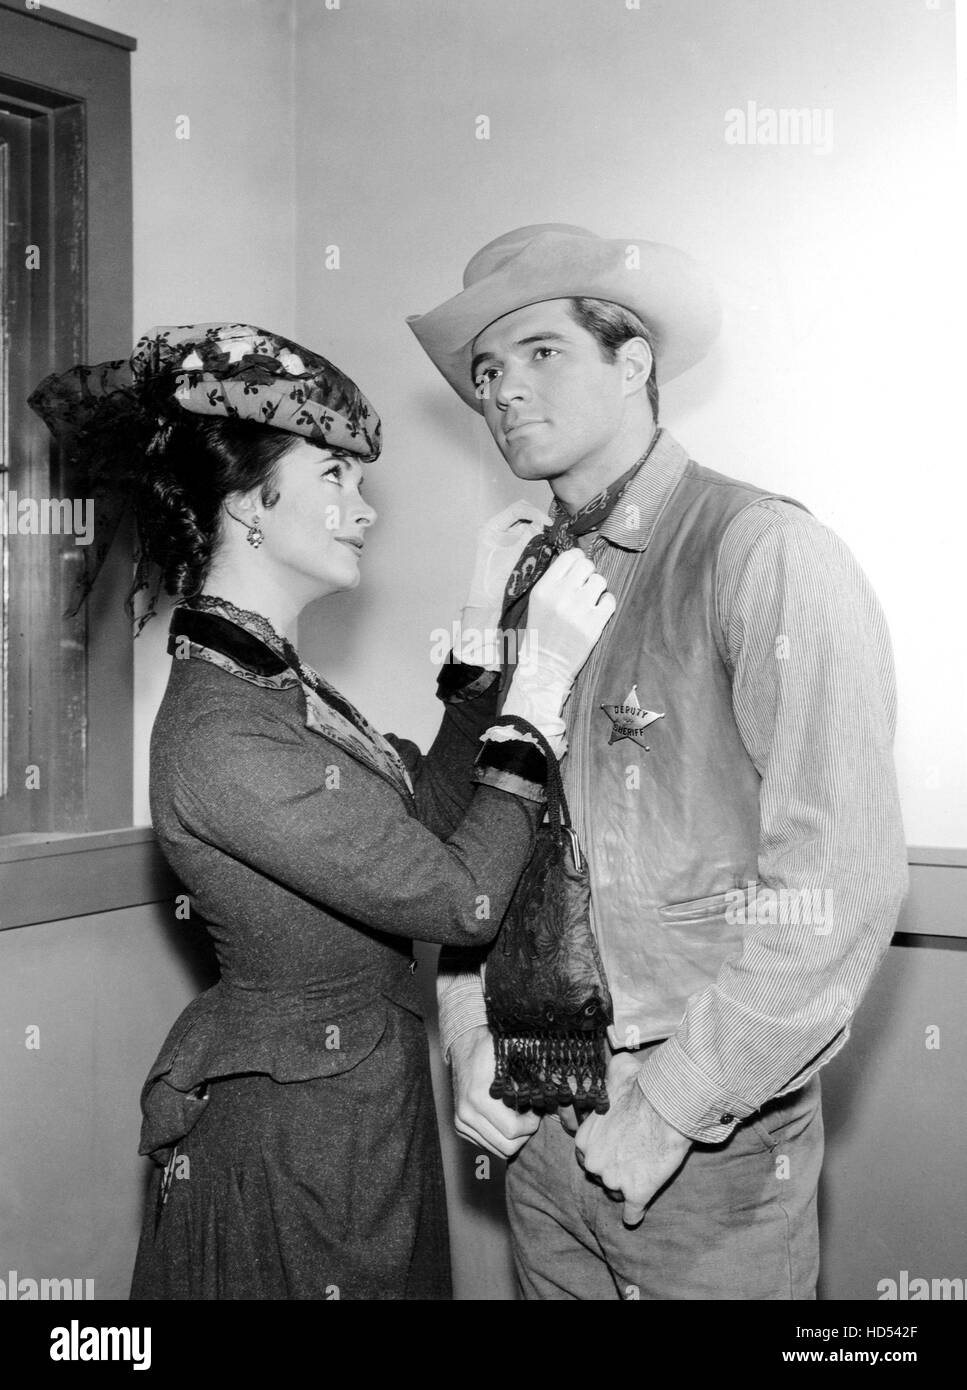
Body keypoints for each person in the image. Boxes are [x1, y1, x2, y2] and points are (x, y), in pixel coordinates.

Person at [28, 321, 615, 1301]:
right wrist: (541, 687)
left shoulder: (269, 682)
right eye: (334, 477)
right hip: (296, 1151)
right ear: (248, 505)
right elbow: (461, 898)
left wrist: (478, 642)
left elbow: (420, 819)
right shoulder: (220, 733)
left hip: (355, 1116)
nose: (363, 510)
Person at [408, 224, 909, 1300]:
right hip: (534, 1131)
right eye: (486, 370)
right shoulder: (512, 591)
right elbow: (469, 855)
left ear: (632, 359)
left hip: (705, 1153)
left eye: (540, 353)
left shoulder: (762, 550)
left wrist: (672, 1106)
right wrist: (465, 1036)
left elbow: (836, 885)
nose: (500, 389)